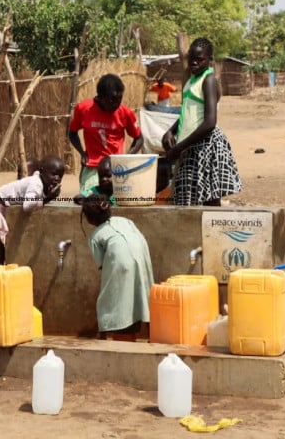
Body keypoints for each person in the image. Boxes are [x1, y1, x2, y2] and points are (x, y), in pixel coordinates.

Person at [161, 37, 242, 206]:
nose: (194, 63)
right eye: (192, 58)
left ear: (210, 60)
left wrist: (179, 147)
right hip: (191, 145)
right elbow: (187, 113)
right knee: (189, 196)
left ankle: (214, 232)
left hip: (206, 145)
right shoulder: (191, 81)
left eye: (200, 59)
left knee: (209, 199)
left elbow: (209, 122)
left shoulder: (209, 80)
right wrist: (171, 131)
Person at [0, 154, 65, 265]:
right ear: (42, 171)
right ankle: (0, 272)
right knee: (4, 246)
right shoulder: (36, 184)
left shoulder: (41, 181)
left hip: (6, 205)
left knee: (7, 245)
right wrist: (47, 199)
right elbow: (27, 206)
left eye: (60, 175)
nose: (57, 178)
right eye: (54, 174)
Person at [81, 194, 154, 341]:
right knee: (144, 295)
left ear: (90, 219)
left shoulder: (95, 237)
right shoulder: (126, 221)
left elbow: (103, 265)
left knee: (116, 299)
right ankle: (153, 335)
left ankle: (112, 334)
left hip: (121, 264)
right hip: (142, 257)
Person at [69, 73, 144, 191]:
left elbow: (139, 138)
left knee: (117, 206)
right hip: (92, 167)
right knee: (91, 203)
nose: (116, 103)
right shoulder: (83, 109)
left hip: (116, 168)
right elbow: (72, 133)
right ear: (101, 97)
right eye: (112, 100)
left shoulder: (126, 113)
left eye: (119, 99)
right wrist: (82, 153)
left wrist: (126, 157)